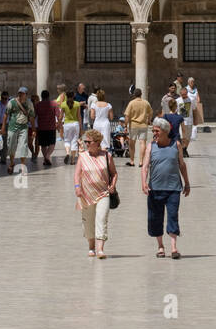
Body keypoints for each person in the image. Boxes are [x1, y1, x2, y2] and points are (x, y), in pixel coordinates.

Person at [142, 116, 190, 258]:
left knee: (173, 216)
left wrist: (187, 183)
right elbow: (145, 166)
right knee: (155, 217)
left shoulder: (176, 145)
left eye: (156, 130)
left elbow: (182, 165)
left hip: (174, 188)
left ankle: (174, 248)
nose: (154, 133)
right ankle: (160, 246)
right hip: (155, 188)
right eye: (153, 130)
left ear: (165, 131)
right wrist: (143, 182)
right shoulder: (151, 146)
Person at [74, 127, 117, 259]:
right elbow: (77, 174)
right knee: (88, 222)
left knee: (101, 219)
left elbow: (114, 173)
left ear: (97, 143)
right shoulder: (82, 156)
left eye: (89, 142)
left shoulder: (106, 156)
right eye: (86, 142)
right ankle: (91, 246)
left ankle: (100, 249)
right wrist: (77, 187)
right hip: (86, 195)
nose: (87, 144)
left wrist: (113, 185)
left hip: (103, 193)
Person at [2, 87, 35, 176]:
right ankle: (12, 162)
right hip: (12, 127)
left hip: (24, 127)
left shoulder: (29, 104)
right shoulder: (12, 102)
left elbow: (32, 117)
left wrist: (34, 130)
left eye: (23, 93)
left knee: (23, 146)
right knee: (11, 146)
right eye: (19, 93)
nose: (21, 95)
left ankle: (23, 167)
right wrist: (3, 127)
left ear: (26, 94)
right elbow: (6, 114)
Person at [124, 88, 153, 167]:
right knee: (142, 143)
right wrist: (148, 121)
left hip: (133, 125)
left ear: (134, 95)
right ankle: (141, 162)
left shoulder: (131, 103)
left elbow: (127, 115)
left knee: (131, 143)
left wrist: (125, 125)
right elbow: (151, 113)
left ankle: (132, 161)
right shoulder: (146, 103)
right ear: (141, 94)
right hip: (143, 125)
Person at [34, 90, 61, 166]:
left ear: (42, 96)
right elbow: (58, 116)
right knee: (52, 143)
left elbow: (34, 116)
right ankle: (47, 156)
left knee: (43, 144)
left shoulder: (37, 105)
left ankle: (46, 159)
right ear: (48, 96)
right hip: (51, 127)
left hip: (41, 127)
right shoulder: (54, 104)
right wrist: (59, 125)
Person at [59, 88, 82, 165]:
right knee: (74, 141)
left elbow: (60, 117)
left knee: (67, 140)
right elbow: (79, 116)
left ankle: (68, 153)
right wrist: (81, 127)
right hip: (75, 124)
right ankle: (72, 160)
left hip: (67, 124)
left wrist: (59, 126)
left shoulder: (63, 104)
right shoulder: (77, 104)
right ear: (73, 96)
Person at [177, 85, 193, 156]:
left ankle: (184, 149)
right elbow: (175, 111)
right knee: (182, 137)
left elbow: (195, 110)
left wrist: (196, 120)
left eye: (185, 94)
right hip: (181, 122)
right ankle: (183, 151)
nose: (184, 96)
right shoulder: (177, 101)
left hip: (189, 121)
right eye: (182, 94)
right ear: (180, 94)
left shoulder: (191, 100)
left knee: (188, 137)